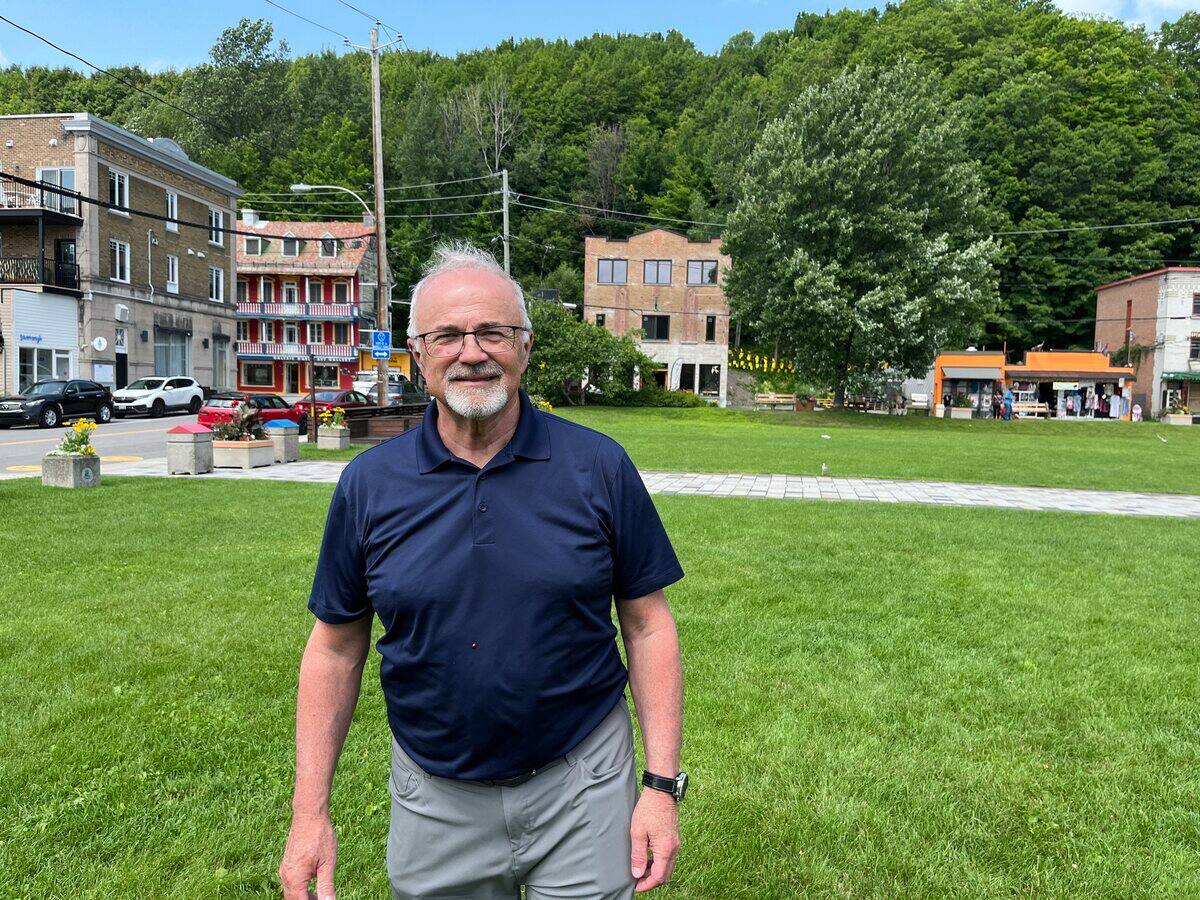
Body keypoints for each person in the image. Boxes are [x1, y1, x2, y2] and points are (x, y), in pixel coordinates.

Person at [279, 242, 687, 900]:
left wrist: (660, 789)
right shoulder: (369, 487)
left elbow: (648, 627)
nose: (472, 352)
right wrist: (309, 817)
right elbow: (334, 649)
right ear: (419, 356)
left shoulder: (599, 468)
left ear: (525, 348)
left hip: (583, 778)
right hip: (434, 795)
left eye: (493, 332)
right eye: (448, 335)